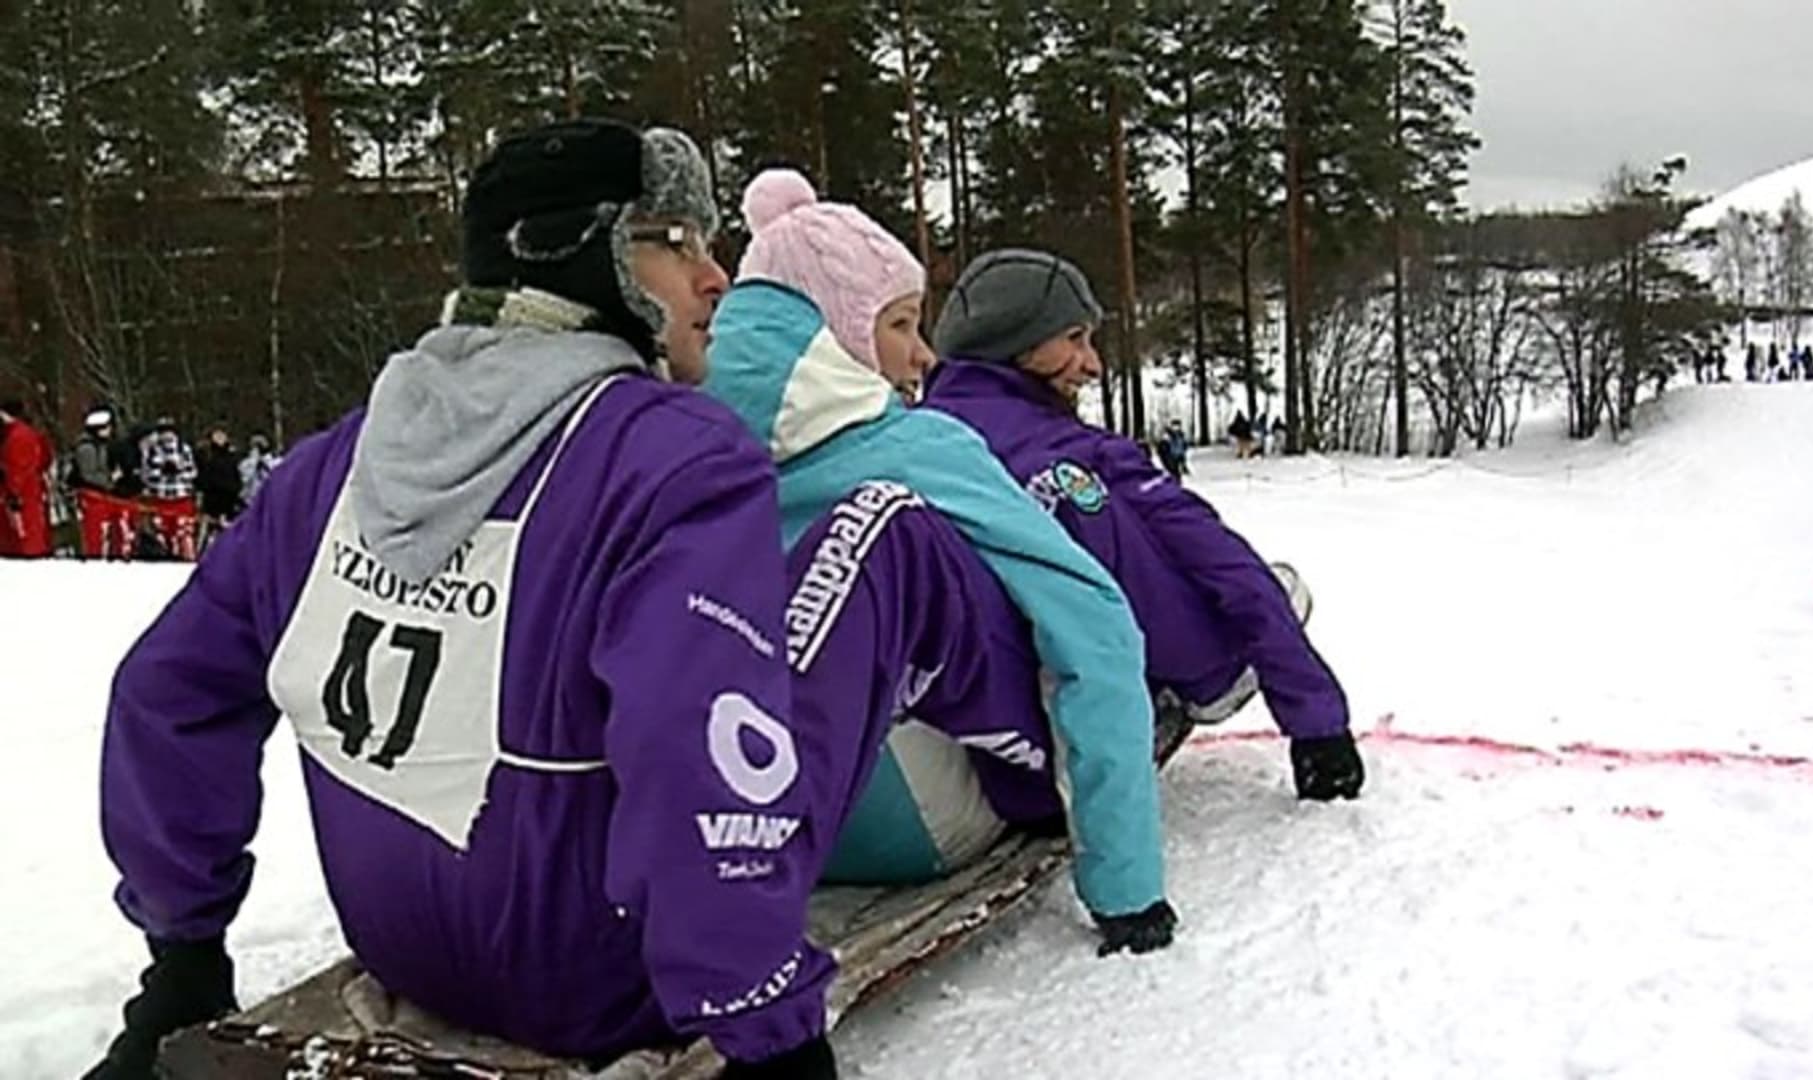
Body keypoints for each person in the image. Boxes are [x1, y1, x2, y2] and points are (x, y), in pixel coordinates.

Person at [89, 120, 840, 1080]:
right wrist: (767, 1026)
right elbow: (696, 742)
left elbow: (167, 690)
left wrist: (183, 948)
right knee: (885, 544)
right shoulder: (677, 457)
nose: (716, 276)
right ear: (577, 251)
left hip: (407, 949)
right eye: (674, 240)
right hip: (603, 983)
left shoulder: (336, 465)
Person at [702, 170, 1176, 956]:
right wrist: (1128, 882)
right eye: (898, 324)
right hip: (910, 818)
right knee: (1018, 598)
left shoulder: (679, 442)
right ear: (833, 335)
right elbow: (1096, 630)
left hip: (737, 811)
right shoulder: (919, 447)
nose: (925, 353)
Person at [922, 249, 1363, 802]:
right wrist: (1316, 720)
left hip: (930, 757)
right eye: (1075, 338)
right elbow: (1218, 558)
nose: (1093, 364)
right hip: (1047, 769)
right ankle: (1185, 680)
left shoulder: (908, 441)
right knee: (1260, 585)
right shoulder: (1076, 453)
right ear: (1016, 345)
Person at [0, 398, 55, 558]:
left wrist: (12, 490)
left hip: (22, 494)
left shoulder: (17, 436)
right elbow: (46, 458)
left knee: (25, 536)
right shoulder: (31, 433)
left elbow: (18, 469)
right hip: (32, 490)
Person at [196, 426, 244, 539]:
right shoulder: (206, 456)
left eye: (222, 436)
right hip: (211, 499)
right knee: (207, 525)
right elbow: (202, 477)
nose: (219, 439)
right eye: (217, 436)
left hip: (228, 499)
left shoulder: (231, 458)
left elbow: (235, 477)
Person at [137, 416, 197, 501]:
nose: (166, 434)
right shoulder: (151, 450)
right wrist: (161, 471)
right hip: (159, 496)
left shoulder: (184, 449)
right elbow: (145, 475)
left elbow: (193, 473)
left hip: (181, 495)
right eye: (163, 432)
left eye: (169, 431)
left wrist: (178, 470)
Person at [238, 432, 280, 506]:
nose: (258, 445)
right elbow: (245, 481)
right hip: (251, 502)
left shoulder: (277, 460)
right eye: (255, 443)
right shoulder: (245, 463)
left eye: (261, 442)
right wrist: (254, 461)